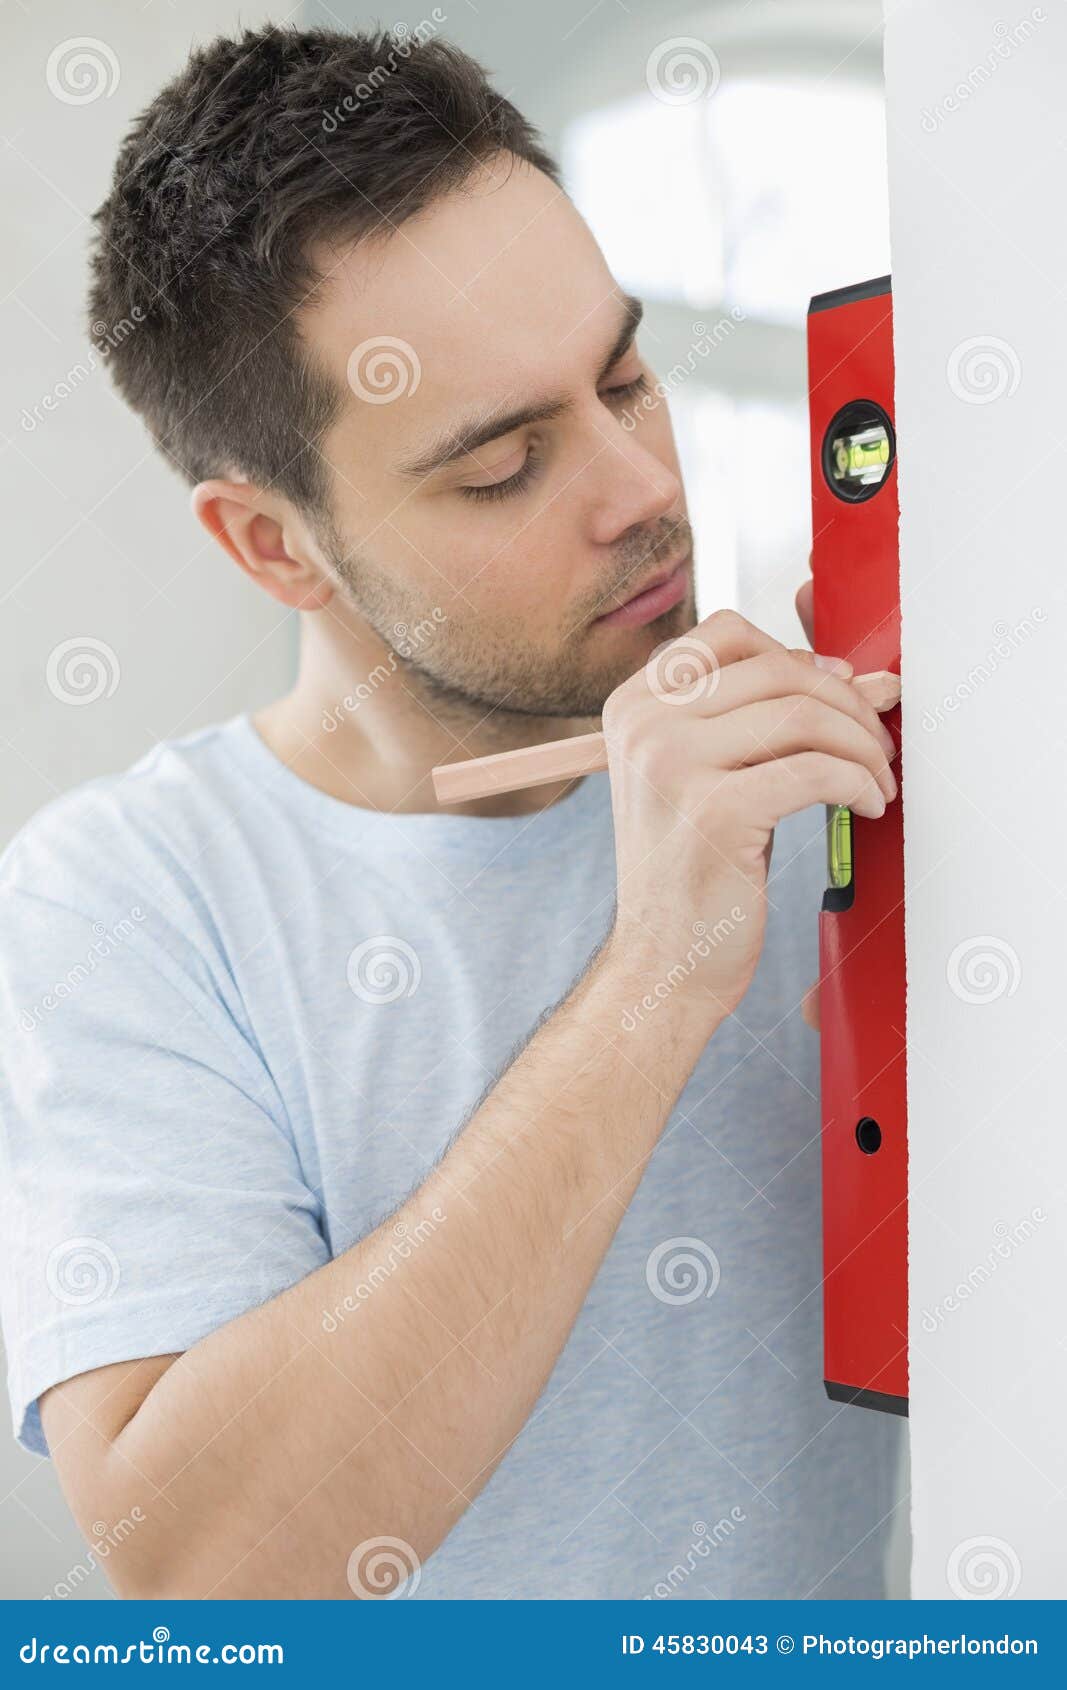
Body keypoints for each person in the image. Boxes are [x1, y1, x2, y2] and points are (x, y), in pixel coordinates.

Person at [0, 26, 900, 1599]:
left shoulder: (827, 767)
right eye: (505, 464)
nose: (640, 488)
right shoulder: (123, 901)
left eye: (626, 375)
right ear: (273, 545)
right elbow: (201, 1567)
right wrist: (655, 980)